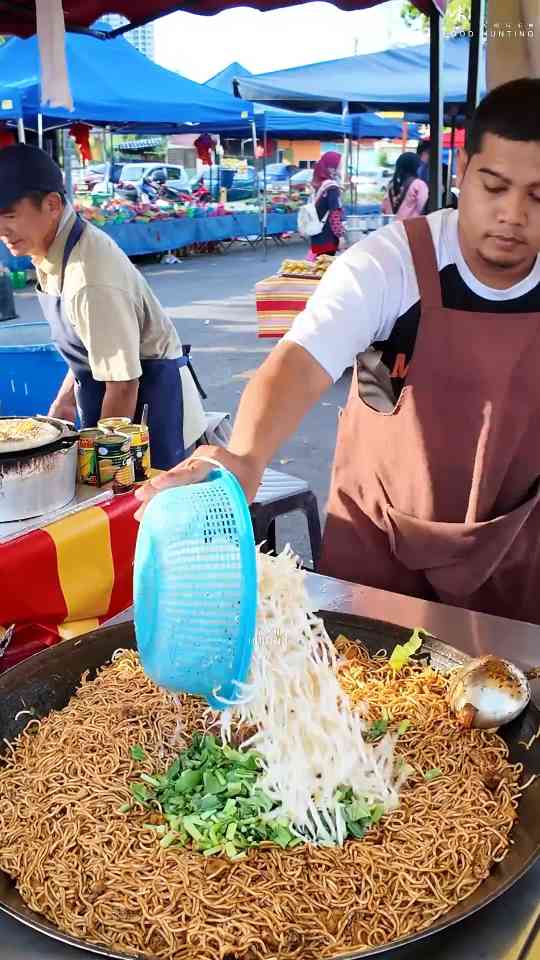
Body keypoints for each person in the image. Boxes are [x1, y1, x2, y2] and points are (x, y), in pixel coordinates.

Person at [136, 78, 540, 626]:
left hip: (512, 549)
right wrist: (248, 457)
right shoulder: (390, 264)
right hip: (384, 543)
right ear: (463, 170)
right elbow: (301, 360)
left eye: (539, 196)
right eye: (495, 186)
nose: (513, 214)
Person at [0, 145, 206, 469]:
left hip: (150, 405)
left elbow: (123, 385)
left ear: (52, 204)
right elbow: (92, 342)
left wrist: (101, 466)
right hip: (113, 397)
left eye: (10, 216)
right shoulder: (50, 251)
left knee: (141, 505)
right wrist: (63, 403)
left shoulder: (90, 278)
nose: (2, 231)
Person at [307, 151, 343, 259]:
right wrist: (341, 237)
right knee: (324, 268)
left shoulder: (320, 184)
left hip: (317, 234)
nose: (341, 168)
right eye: (339, 165)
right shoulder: (332, 187)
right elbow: (334, 214)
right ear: (332, 168)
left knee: (318, 266)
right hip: (328, 236)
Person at [382, 152, 428, 220]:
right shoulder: (419, 185)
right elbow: (422, 208)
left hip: (392, 228)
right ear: (416, 167)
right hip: (411, 227)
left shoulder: (391, 185)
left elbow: (384, 208)